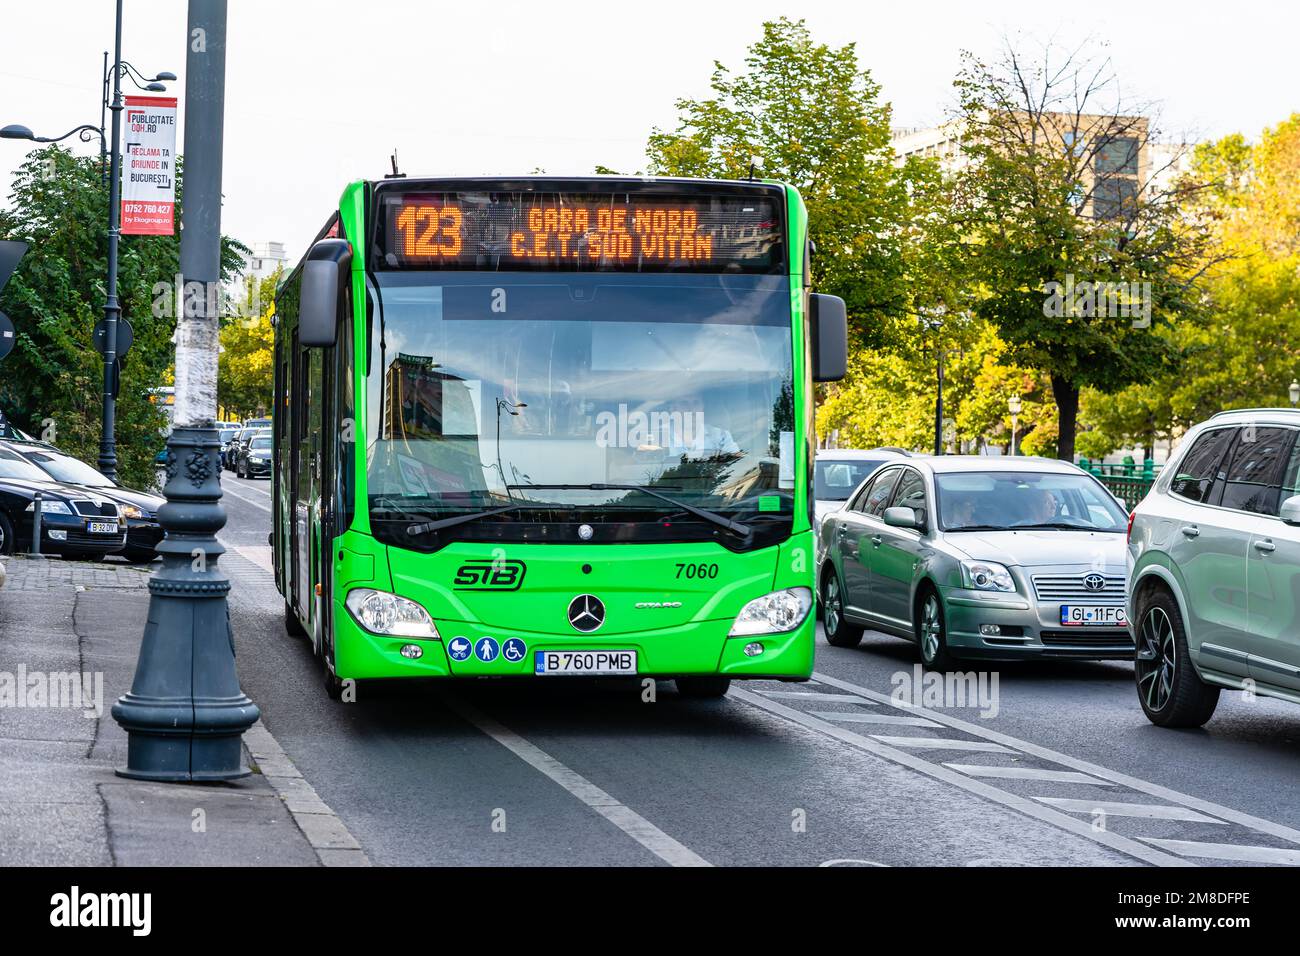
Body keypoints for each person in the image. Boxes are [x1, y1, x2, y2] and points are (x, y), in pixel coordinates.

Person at [664, 394, 740, 458]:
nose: (691, 409)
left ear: (702, 407)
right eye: (684, 403)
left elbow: (737, 462)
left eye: (696, 403)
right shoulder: (659, 435)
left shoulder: (721, 436)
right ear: (673, 409)